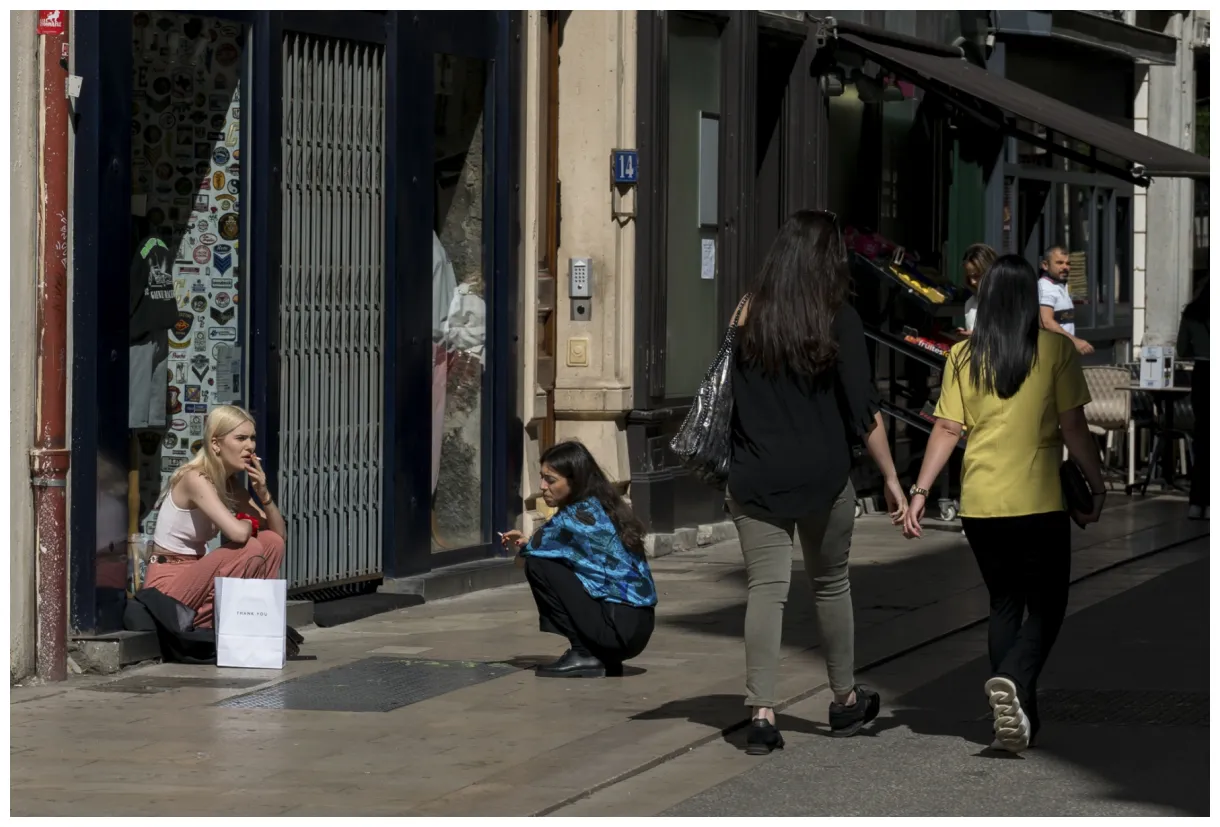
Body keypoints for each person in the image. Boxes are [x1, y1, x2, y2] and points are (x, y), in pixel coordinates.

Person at [902, 254, 1106, 754]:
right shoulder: (1055, 350)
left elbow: (947, 428)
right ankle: (1013, 678)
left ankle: (1018, 718)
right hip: (1038, 499)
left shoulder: (962, 357)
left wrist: (920, 491)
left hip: (981, 502)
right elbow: (1074, 427)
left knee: (1004, 602)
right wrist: (1098, 485)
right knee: (1050, 602)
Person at [727, 209, 908, 755]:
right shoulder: (838, 318)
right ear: (829, 261)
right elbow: (864, 410)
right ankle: (845, 701)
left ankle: (761, 713)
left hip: (756, 472)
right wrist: (893, 478)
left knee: (766, 589)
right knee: (830, 585)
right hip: (823, 476)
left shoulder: (747, 312)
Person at [501, 441, 657, 678]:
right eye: (542, 477)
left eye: (550, 480)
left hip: (616, 629)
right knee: (549, 561)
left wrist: (527, 547)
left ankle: (584, 653)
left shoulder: (575, 516)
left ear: (574, 481)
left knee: (538, 565)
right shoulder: (605, 505)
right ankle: (599, 656)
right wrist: (531, 544)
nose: (542, 486)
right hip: (637, 627)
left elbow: (527, 558)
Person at [144, 405, 288, 631]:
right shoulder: (195, 478)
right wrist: (248, 522)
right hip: (167, 585)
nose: (249, 446)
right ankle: (220, 624)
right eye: (240, 438)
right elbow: (238, 534)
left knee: (271, 543)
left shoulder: (228, 483)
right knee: (249, 547)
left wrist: (263, 493)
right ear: (215, 444)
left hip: (196, 573)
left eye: (252, 438)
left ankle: (259, 619)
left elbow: (279, 534)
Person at [1176, 278, 1209, 520]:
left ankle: (1197, 502)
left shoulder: (1192, 313)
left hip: (1202, 373)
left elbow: (1181, 349)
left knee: (1203, 437)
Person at [1039, 245, 1094, 355]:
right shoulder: (1045, 288)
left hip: (1063, 352)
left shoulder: (1061, 286)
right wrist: (1074, 341)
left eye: (1068, 263)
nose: (1065, 267)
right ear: (1045, 265)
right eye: (1059, 263)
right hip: (1051, 354)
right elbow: (1046, 322)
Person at [958, 243, 997, 336]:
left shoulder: (1005, 300)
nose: (972, 282)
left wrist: (976, 337)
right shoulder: (970, 303)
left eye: (976, 276)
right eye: (969, 277)